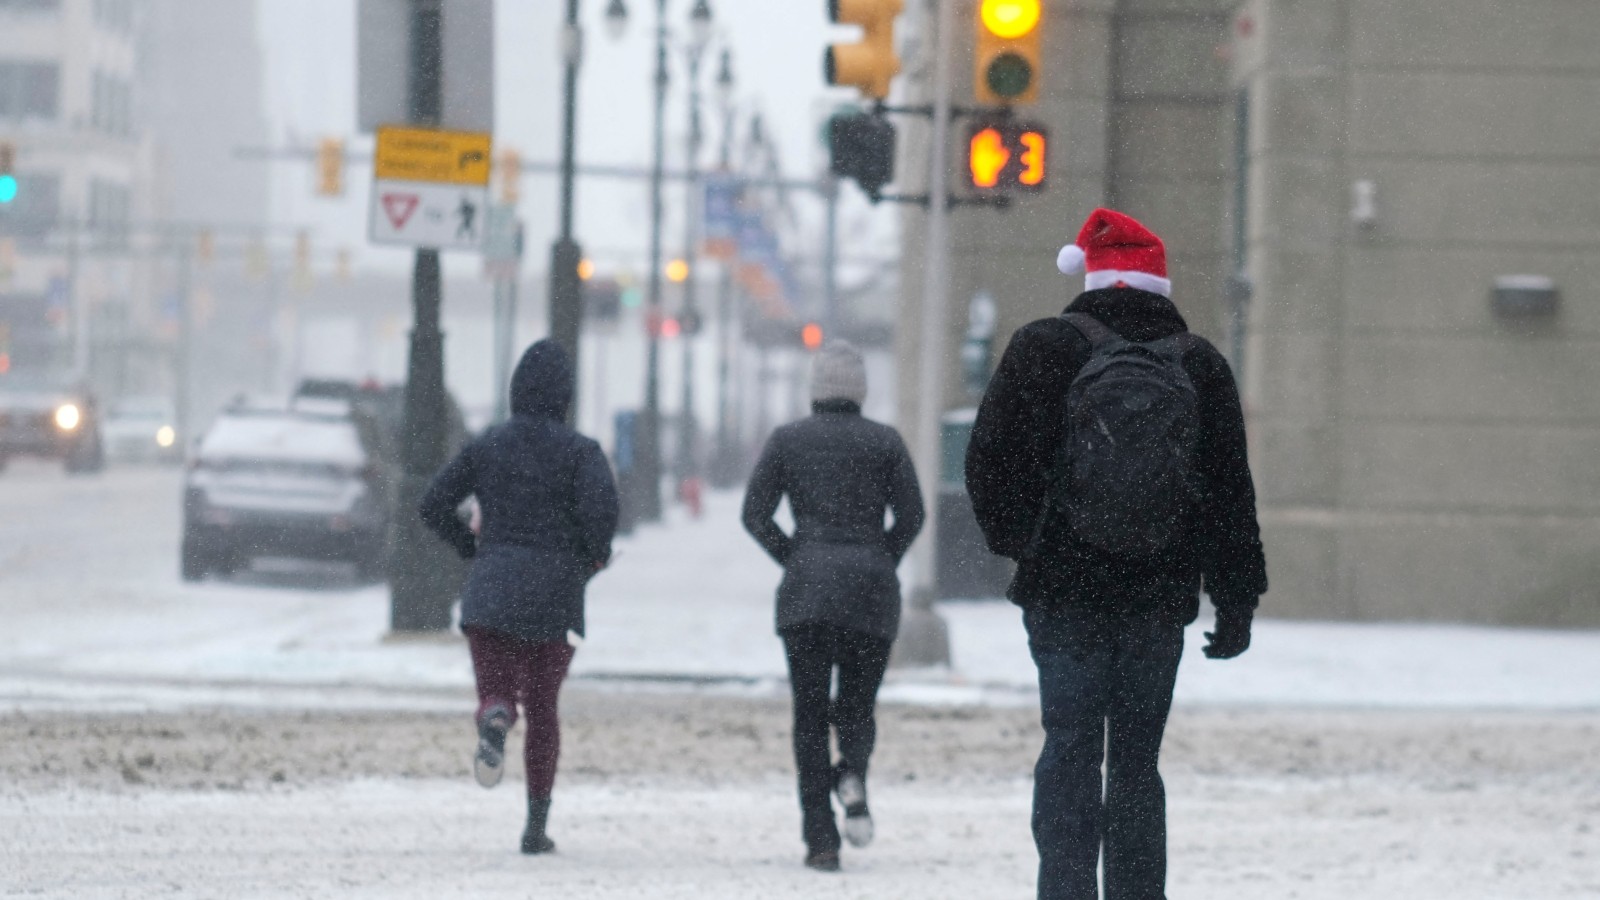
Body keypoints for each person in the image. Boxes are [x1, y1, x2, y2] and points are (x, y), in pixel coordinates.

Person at [965, 209, 1267, 899]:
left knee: (1068, 748)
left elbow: (987, 465)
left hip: (1064, 591)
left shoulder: (1041, 347)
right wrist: (1236, 597)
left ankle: (1064, 890)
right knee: (1135, 764)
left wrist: (1026, 544)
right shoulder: (1199, 362)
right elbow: (1230, 492)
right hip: (1157, 594)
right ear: (1157, 285)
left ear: (1093, 277)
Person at [419, 339, 618, 855]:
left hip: (490, 593)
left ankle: (494, 715)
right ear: (565, 397)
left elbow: (434, 502)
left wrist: (473, 548)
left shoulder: (487, 446)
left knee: (497, 689)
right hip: (553, 599)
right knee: (545, 710)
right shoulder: (582, 453)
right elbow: (603, 520)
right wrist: (585, 562)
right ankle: (536, 826)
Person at [742, 341, 925, 873]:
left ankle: (821, 839)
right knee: (857, 706)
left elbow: (755, 514)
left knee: (809, 717)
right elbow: (912, 515)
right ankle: (853, 772)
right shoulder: (885, 443)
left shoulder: (787, 441)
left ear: (816, 390)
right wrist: (880, 557)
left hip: (807, 597)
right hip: (870, 595)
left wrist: (796, 557)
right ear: (860, 391)